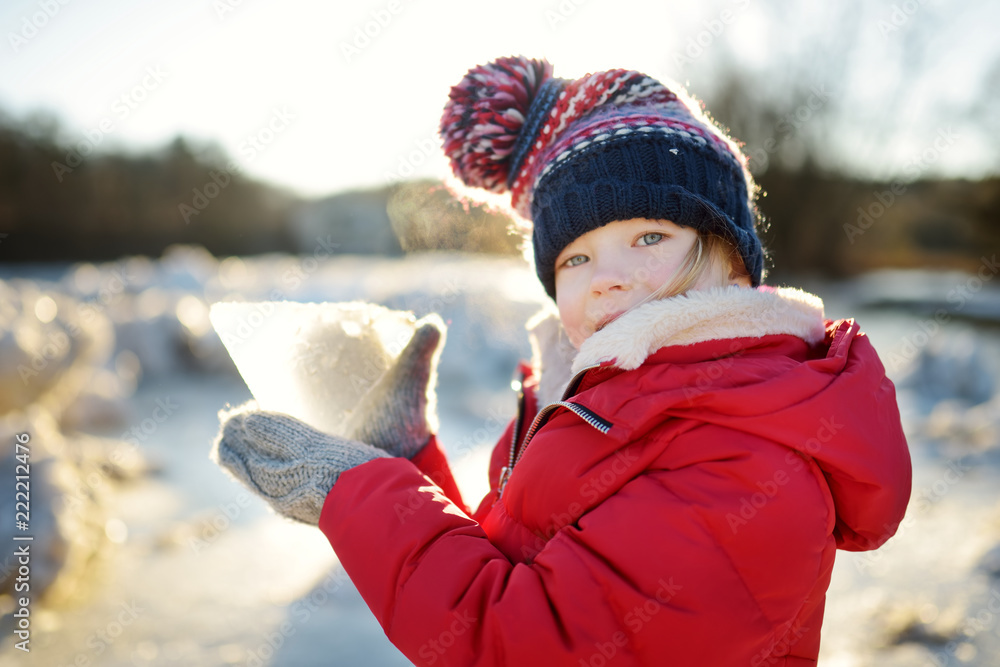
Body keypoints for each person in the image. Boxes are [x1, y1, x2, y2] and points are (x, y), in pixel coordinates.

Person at [212, 56, 912, 666]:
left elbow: (529, 643)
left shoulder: (746, 446)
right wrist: (406, 462)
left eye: (648, 235)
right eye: (575, 256)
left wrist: (358, 494)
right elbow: (515, 570)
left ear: (734, 259)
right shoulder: (594, 401)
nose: (604, 276)